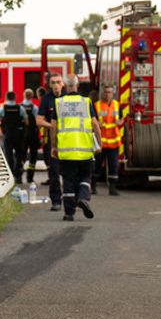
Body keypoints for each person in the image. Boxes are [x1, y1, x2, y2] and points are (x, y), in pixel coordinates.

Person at [52, 74, 101, 221]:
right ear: (77, 85)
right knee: (85, 176)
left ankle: (69, 213)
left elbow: (53, 126)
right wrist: (99, 142)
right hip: (85, 150)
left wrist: (54, 146)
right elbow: (95, 125)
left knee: (68, 180)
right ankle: (83, 198)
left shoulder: (59, 102)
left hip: (66, 151)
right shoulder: (86, 101)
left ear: (65, 86)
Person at [36, 74, 65, 211]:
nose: (56, 85)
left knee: (70, 172)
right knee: (54, 172)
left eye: (58, 82)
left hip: (70, 140)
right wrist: (53, 126)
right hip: (52, 141)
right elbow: (39, 120)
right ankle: (56, 201)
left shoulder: (69, 97)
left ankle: (72, 199)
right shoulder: (46, 99)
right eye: (53, 82)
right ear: (49, 85)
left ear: (63, 83)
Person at [0, 91, 32, 184]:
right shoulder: (21, 108)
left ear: (6, 98)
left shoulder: (2, 108)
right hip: (19, 135)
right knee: (19, 155)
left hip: (8, 135)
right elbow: (27, 122)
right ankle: (17, 174)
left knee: (8, 154)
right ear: (15, 98)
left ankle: (10, 174)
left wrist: (2, 125)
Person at [95, 84, 125, 195]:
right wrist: (96, 123)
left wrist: (120, 122)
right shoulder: (97, 105)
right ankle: (93, 186)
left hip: (113, 141)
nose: (107, 94)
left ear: (113, 94)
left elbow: (121, 119)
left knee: (113, 165)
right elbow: (91, 119)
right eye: (105, 92)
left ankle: (112, 188)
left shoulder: (117, 105)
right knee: (97, 165)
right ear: (102, 93)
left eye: (109, 92)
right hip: (100, 141)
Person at [21, 88, 40, 184]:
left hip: (23, 134)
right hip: (33, 134)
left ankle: (18, 175)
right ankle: (30, 178)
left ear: (24, 95)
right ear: (32, 96)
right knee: (33, 156)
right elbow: (38, 122)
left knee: (22, 155)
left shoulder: (20, 107)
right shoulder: (35, 108)